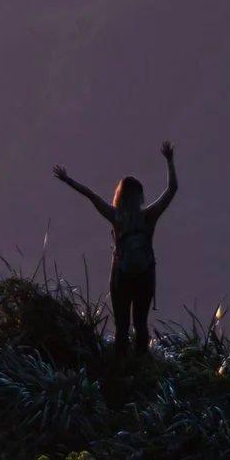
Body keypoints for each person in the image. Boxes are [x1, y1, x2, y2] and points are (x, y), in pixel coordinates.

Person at [55, 142, 179, 350]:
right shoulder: (149, 216)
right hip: (145, 275)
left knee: (122, 326)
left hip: (121, 277)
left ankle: (120, 368)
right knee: (141, 324)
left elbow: (91, 196)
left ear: (119, 196)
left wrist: (68, 180)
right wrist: (169, 160)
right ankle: (142, 368)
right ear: (140, 196)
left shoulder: (116, 217)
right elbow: (172, 189)